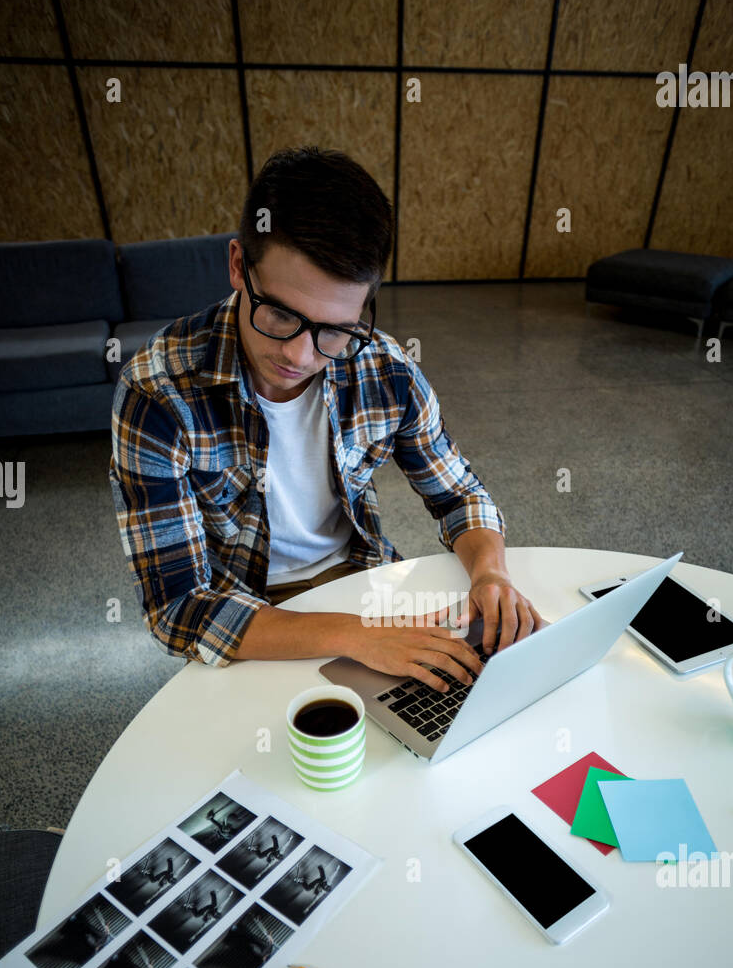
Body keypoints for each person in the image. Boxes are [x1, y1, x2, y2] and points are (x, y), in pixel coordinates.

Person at [110, 146, 546, 691]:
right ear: (238, 266)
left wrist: (490, 572)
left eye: (334, 330)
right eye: (280, 314)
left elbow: (458, 495)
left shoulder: (382, 366)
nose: (299, 355)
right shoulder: (158, 392)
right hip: (247, 611)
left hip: (364, 580)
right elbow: (179, 609)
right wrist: (357, 636)